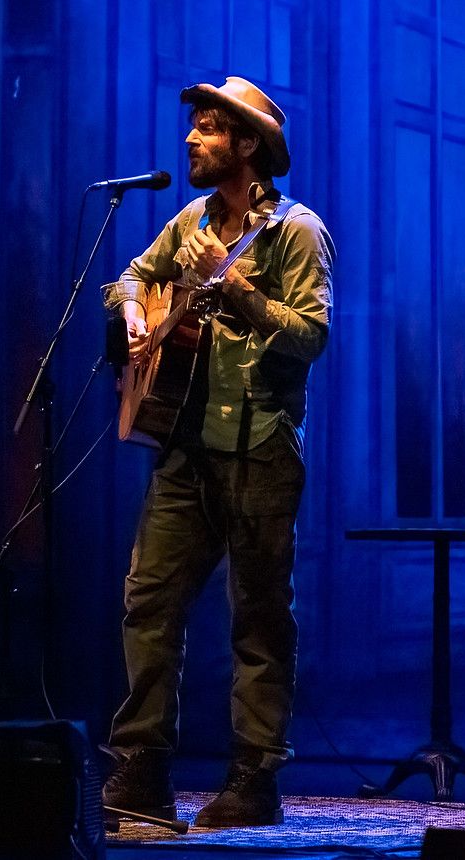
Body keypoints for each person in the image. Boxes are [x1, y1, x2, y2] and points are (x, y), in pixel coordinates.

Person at [100, 78, 334, 828]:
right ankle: (139, 770)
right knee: (149, 601)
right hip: (185, 447)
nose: (192, 140)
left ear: (246, 145)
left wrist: (229, 285)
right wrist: (137, 313)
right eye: (194, 127)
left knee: (258, 617)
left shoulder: (296, 232)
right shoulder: (192, 217)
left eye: (208, 130)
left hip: (260, 447)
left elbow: (311, 335)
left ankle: (253, 779)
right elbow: (129, 277)